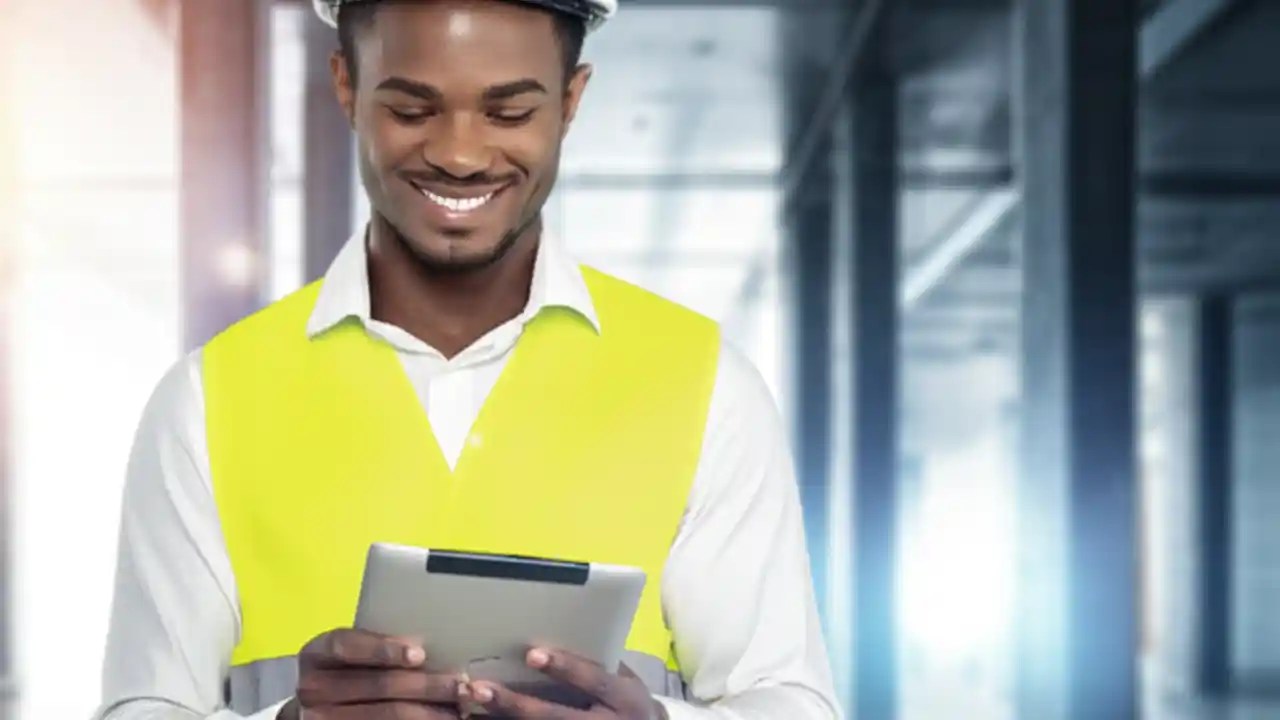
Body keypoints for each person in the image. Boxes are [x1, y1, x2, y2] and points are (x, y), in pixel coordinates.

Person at [94, 0, 840, 718]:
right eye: (411, 110)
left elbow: (788, 702)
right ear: (346, 87)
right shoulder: (210, 400)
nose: (458, 154)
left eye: (509, 113)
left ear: (570, 101)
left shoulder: (705, 387)